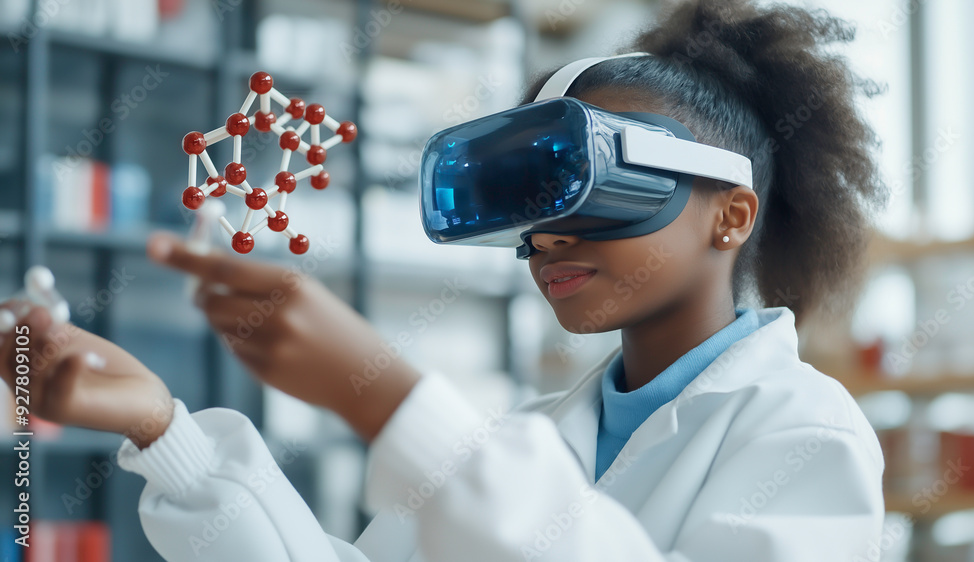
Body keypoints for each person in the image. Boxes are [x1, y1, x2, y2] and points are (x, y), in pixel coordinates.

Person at [0, 0, 890, 560]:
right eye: (530, 205)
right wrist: (164, 431)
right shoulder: (535, 434)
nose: (547, 238)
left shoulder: (806, 433)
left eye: (593, 186)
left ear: (731, 215)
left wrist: (389, 400)